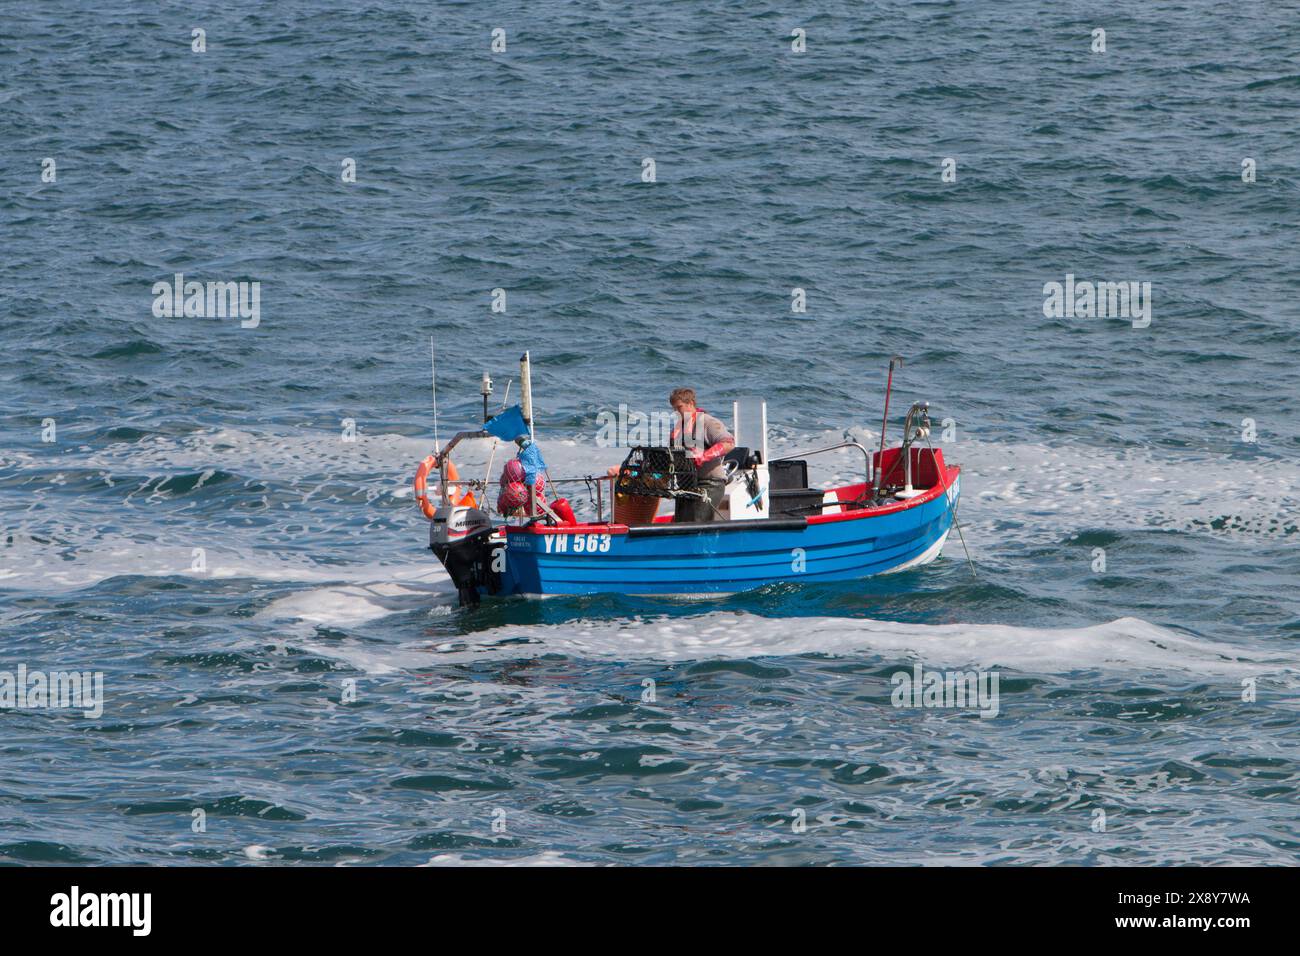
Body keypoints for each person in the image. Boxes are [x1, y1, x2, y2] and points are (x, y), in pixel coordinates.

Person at [668, 387, 734, 522]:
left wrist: (704, 456)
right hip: (686, 485)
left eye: (679, 407)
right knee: (681, 524)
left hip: (709, 483)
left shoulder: (707, 422)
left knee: (697, 524)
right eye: (674, 409)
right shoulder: (678, 429)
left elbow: (728, 443)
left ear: (691, 403)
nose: (676, 412)